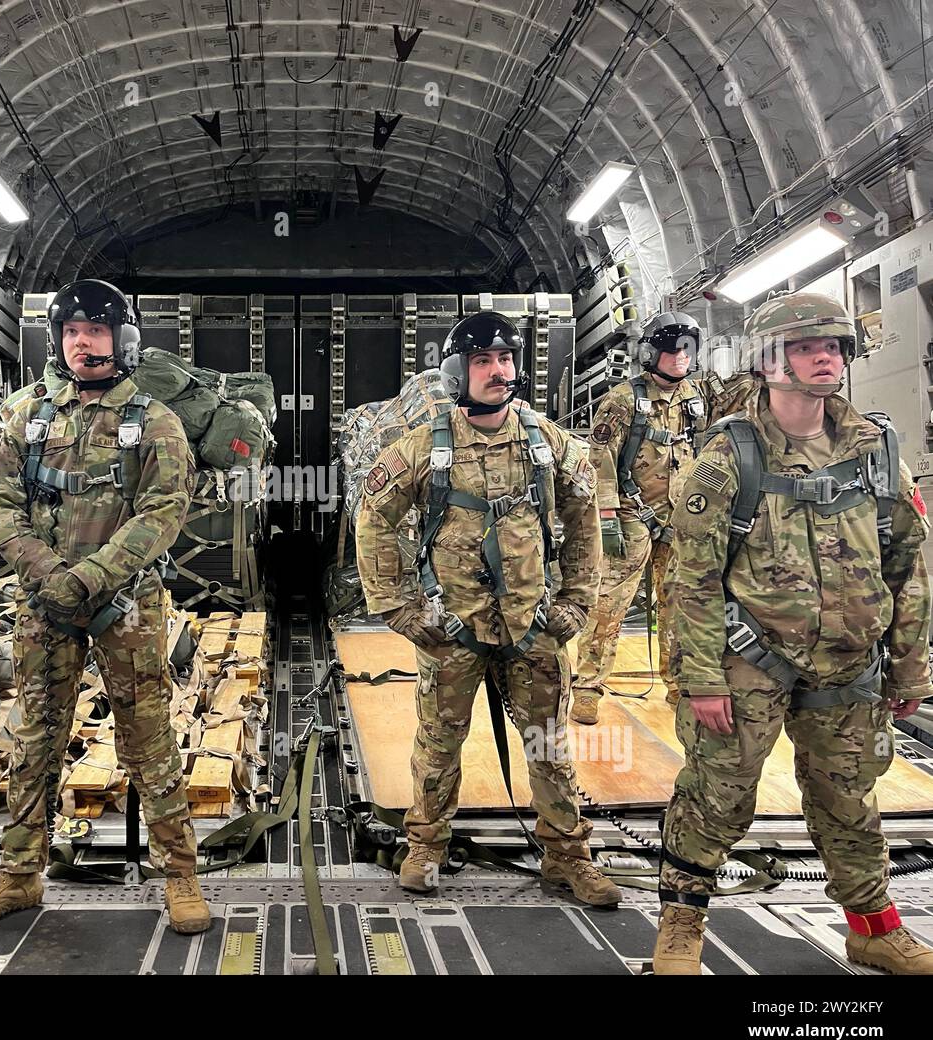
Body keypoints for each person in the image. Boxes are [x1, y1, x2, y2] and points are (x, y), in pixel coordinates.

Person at [654, 292, 933, 975]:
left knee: (851, 802)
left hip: (849, 666)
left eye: (835, 346)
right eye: (809, 347)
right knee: (716, 795)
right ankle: (681, 926)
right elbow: (689, 579)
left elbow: (908, 562)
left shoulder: (876, 449)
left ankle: (874, 928)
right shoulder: (728, 456)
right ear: (770, 360)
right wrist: (701, 678)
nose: (825, 358)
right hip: (749, 659)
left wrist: (910, 668)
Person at [0, 279, 208, 933]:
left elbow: (162, 513)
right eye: (69, 331)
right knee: (34, 738)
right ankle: (16, 874)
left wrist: (92, 575)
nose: (80, 343)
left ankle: (179, 874)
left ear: (122, 340)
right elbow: (0, 504)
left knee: (147, 739)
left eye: (94, 330)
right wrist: (47, 572)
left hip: (125, 605)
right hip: (43, 603)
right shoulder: (25, 413)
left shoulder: (156, 423)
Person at [355, 311, 620, 906]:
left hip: (536, 627)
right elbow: (373, 519)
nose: (498, 372)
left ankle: (568, 855)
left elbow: (586, 523)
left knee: (548, 744)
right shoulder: (424, 447)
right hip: (454, 629)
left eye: (505, 359)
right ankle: (425, 844)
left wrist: (578, 602)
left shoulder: (548, 444)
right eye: (483, 362)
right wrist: (401, 609)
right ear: (458, 372)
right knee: (438, 742)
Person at [574, 311, 707, 722]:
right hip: (632, 516)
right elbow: (599, 460)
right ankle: (587, 686)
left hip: (680, 517)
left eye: (687, 349)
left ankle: (678, 685)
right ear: (652, 353)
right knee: (608, 605)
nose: (680, 357)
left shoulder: (696, 398)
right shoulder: (623, 400)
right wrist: (609, 516)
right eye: (671, 350)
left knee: (678, 606)